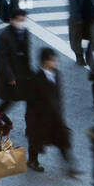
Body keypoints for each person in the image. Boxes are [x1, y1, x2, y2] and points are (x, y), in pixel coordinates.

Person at [25, 47, 76, 177]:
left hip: (55, 116)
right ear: (44, 61)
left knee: (62, 139)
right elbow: (31, 102)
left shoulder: (57, 74)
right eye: (52, 60)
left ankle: (70, 165)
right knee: (36, 140)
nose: (55, 63)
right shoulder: (35, 78)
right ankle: (32, 161)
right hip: (40, 117)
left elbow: (59, 95)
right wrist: (32, 120)